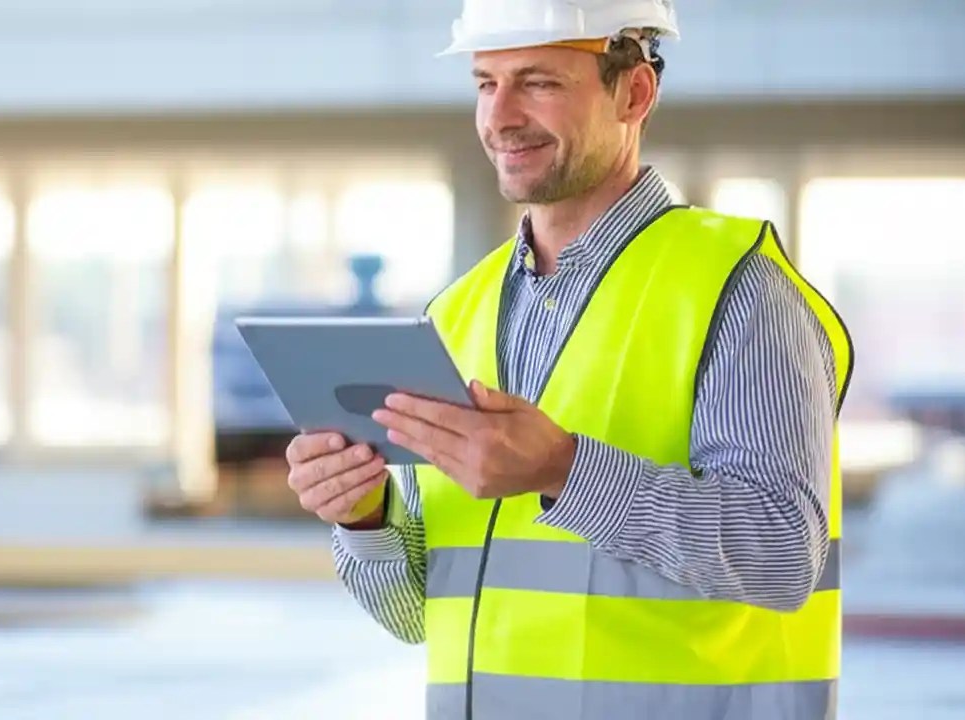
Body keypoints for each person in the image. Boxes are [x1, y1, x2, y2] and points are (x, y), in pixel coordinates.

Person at [283, 0, 854, 718]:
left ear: (634, 93)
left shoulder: (737, 288)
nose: (500, 117)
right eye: (486, 83)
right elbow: (416, 615)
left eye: (538, 82)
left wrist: (565, 469)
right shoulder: (456, 312)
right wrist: (365, 516)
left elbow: (781, 554)